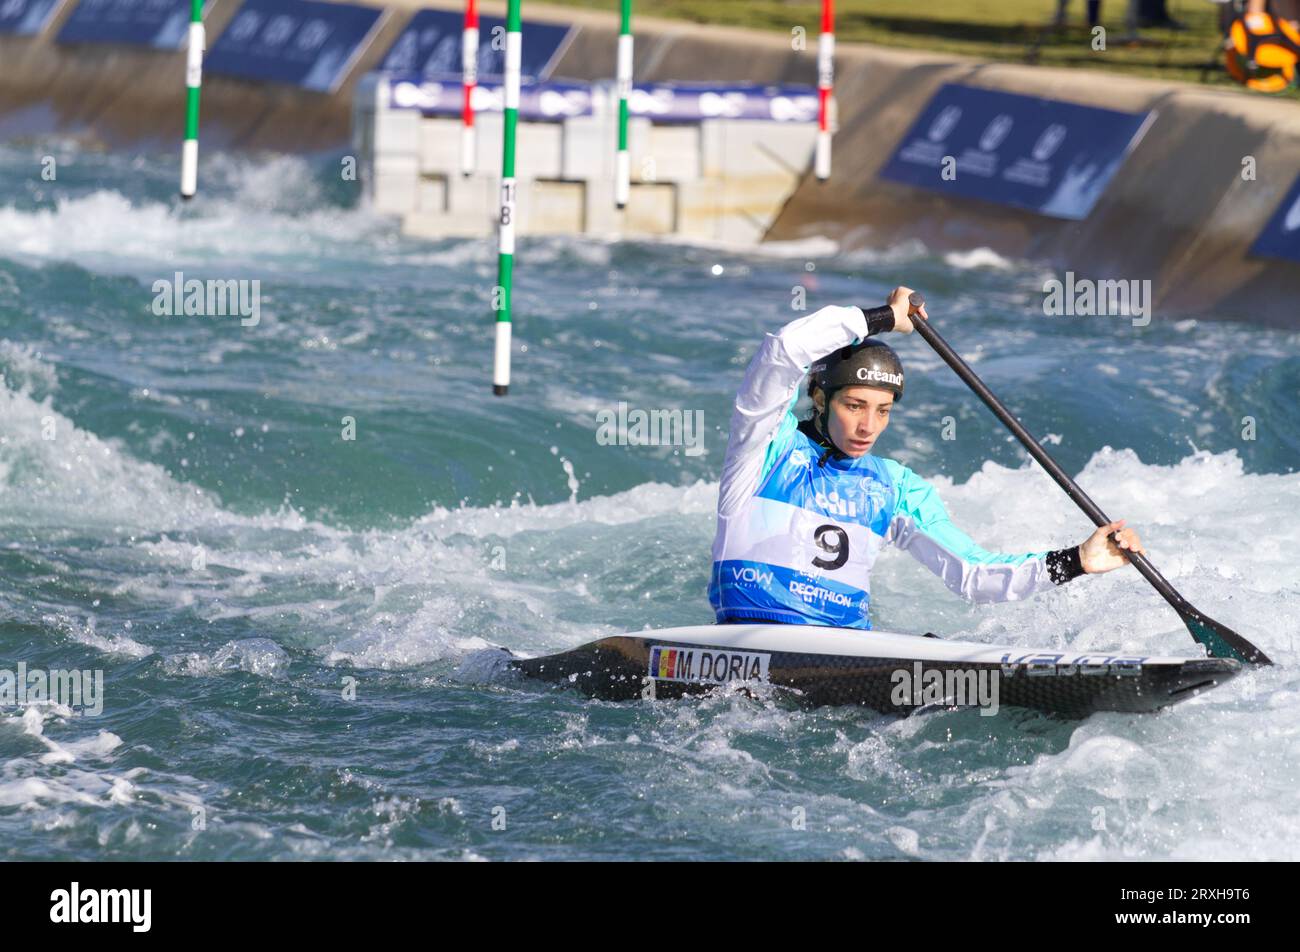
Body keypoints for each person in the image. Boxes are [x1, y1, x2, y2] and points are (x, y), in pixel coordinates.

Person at [708, 288, 1146, 630]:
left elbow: (973, 574)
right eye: (854, 406)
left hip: (843, 652)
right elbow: (784, 351)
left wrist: (1076, 560)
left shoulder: (896, 488)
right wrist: (882, 320)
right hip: (749, 637)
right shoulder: (763, 447)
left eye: (883, 411)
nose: (868, 427)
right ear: (820, 399)